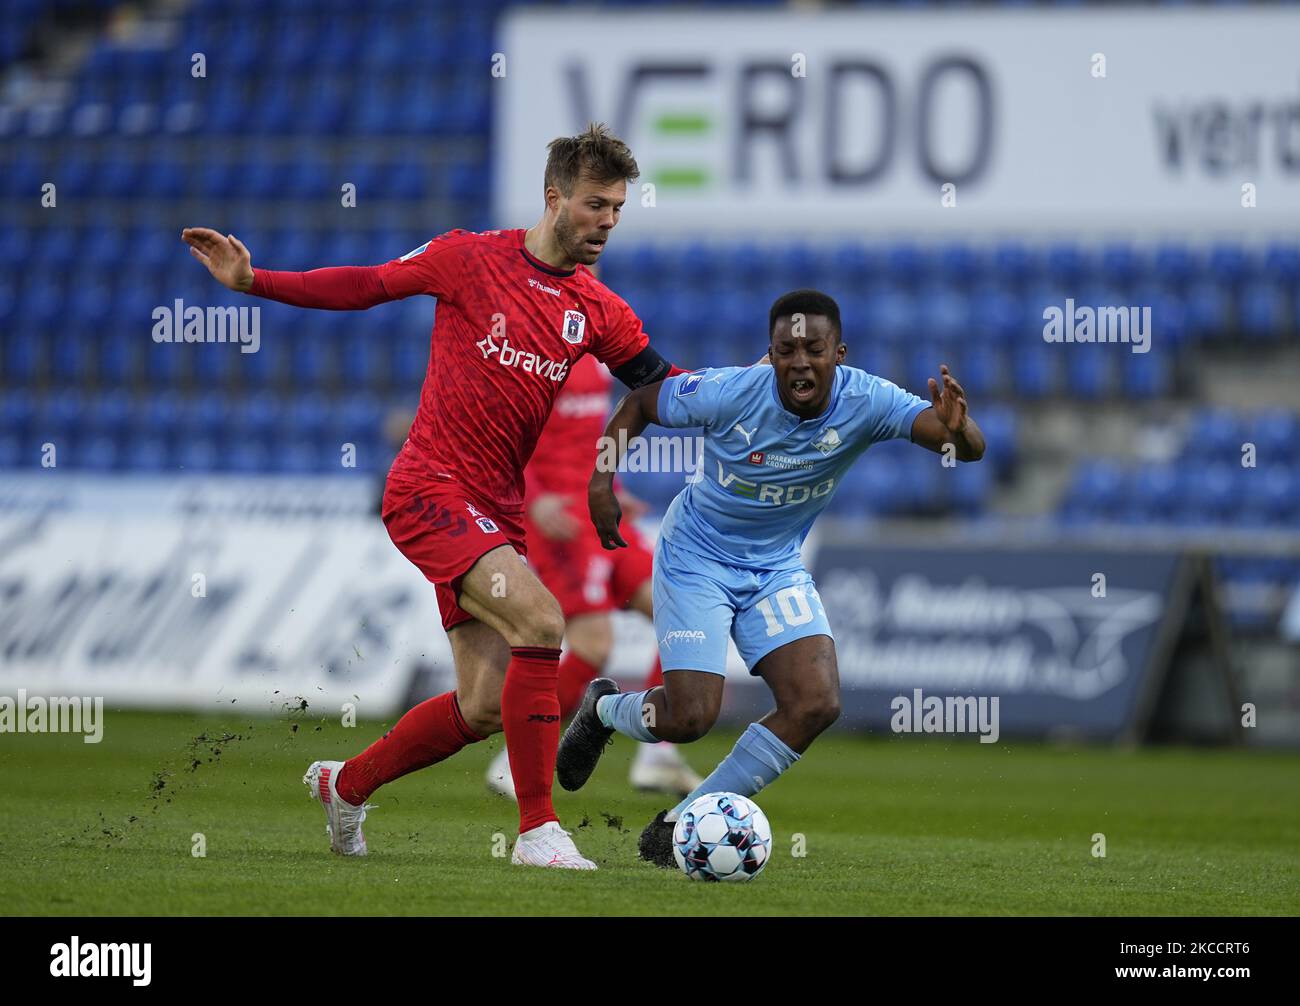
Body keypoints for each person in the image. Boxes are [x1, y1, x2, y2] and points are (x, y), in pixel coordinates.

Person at [182, 124, 693, 870]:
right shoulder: (469, 258)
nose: (609, 221)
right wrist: (257, 283)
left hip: (497, 512)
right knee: (543, 619)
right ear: (553, 199)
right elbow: (367, 284)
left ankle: (346, 786)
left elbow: (664, 385)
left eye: (618, 207)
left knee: (484, 705)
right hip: (428, 489)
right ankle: (538, 831)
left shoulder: (597, 308)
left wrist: (757, 414)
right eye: (595, 205)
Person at [555, 289, 986, 866]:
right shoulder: (730, 391)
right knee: (690, 718)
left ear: (840, 352)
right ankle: (603, 710)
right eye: (786, 349)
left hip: (774, 567)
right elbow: (639, 404)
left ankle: (683, 821)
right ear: (772, 353)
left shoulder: (868, 399)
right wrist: (602, 482)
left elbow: (962, 445)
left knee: (815, 703)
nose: (800, 361)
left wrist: (963, 431)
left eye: (814, 349)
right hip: (697, 558)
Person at [485, 353, 701, 800]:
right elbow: (506, 437)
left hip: (599, 510)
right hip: (559, 518)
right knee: (592, 644)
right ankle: (515, 757)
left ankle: (658, 753)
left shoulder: (596, 352)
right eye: (586, 274)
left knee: (683, 614)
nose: (591, 278)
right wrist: (535, 499)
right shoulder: (534, 353)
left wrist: (615, 491)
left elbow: (588, 442)